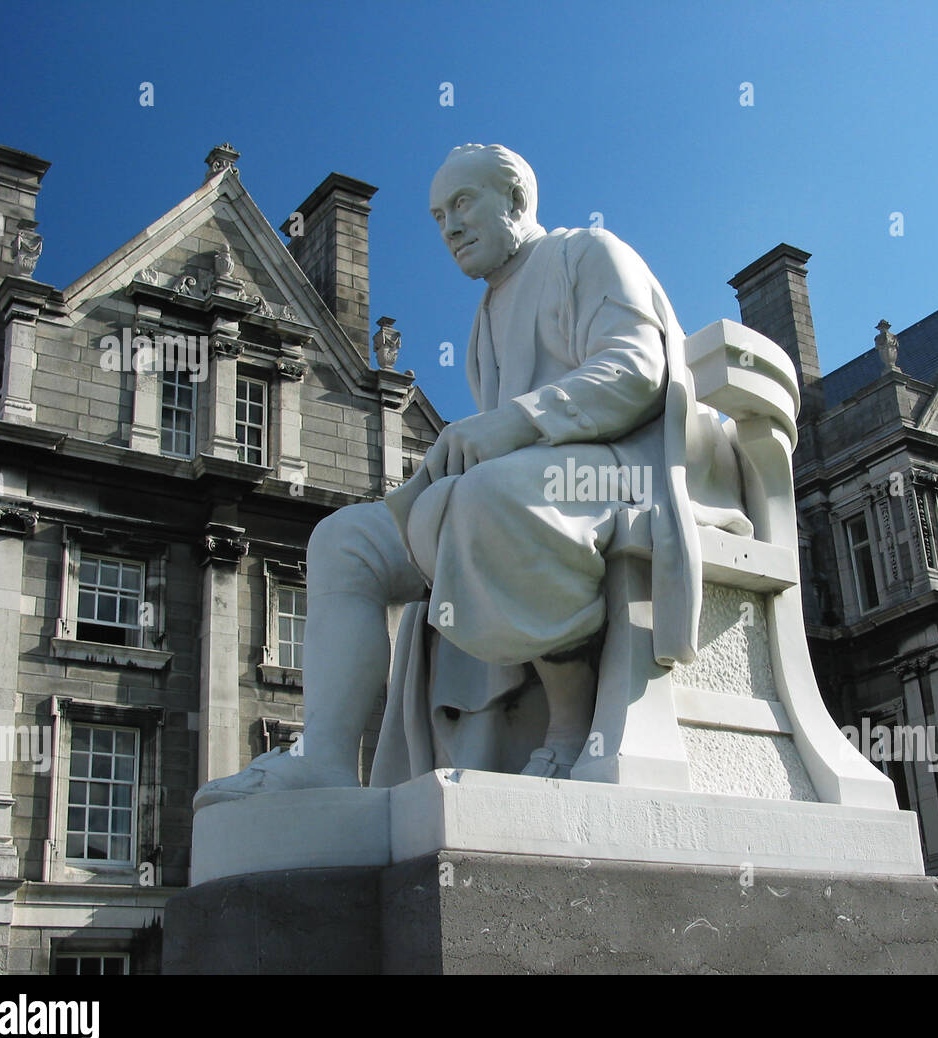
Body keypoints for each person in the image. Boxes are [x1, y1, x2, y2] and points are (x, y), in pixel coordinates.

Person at [194, 144, 744, 808]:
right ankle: (326, 759)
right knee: (345, 541)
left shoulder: (588, 254)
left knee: (483, 500)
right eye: (435, 216)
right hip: (536, 473)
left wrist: (512, 423)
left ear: (515, 201)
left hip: (627, 466)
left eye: (461, 204)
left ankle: (572, 722)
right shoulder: (486, 313)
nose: (448, 227)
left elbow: (635, 370)